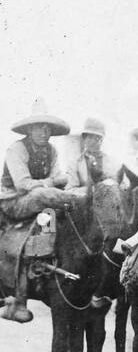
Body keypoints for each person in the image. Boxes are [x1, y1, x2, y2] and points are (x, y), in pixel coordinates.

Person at [0, 111, 80, 323]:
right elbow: (23, 183)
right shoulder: (16, 149)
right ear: (29, 129)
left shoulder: (51, 150)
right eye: (40, 127)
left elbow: (61, 176)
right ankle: (17, 297)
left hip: (42, 200)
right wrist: (51, 183)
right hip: (13, 201)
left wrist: (54, 183)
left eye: (48, 129)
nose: (45, 132)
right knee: (45, 194)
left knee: (67, 200)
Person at [66, 118, 119, 189]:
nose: (93, 142)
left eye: (97, 138)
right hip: (83, 198)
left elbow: (119, 185)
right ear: (84, 139)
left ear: (102, 140)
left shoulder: (110, 162)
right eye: (90, 137)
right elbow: (71, 189)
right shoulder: (75, 163)